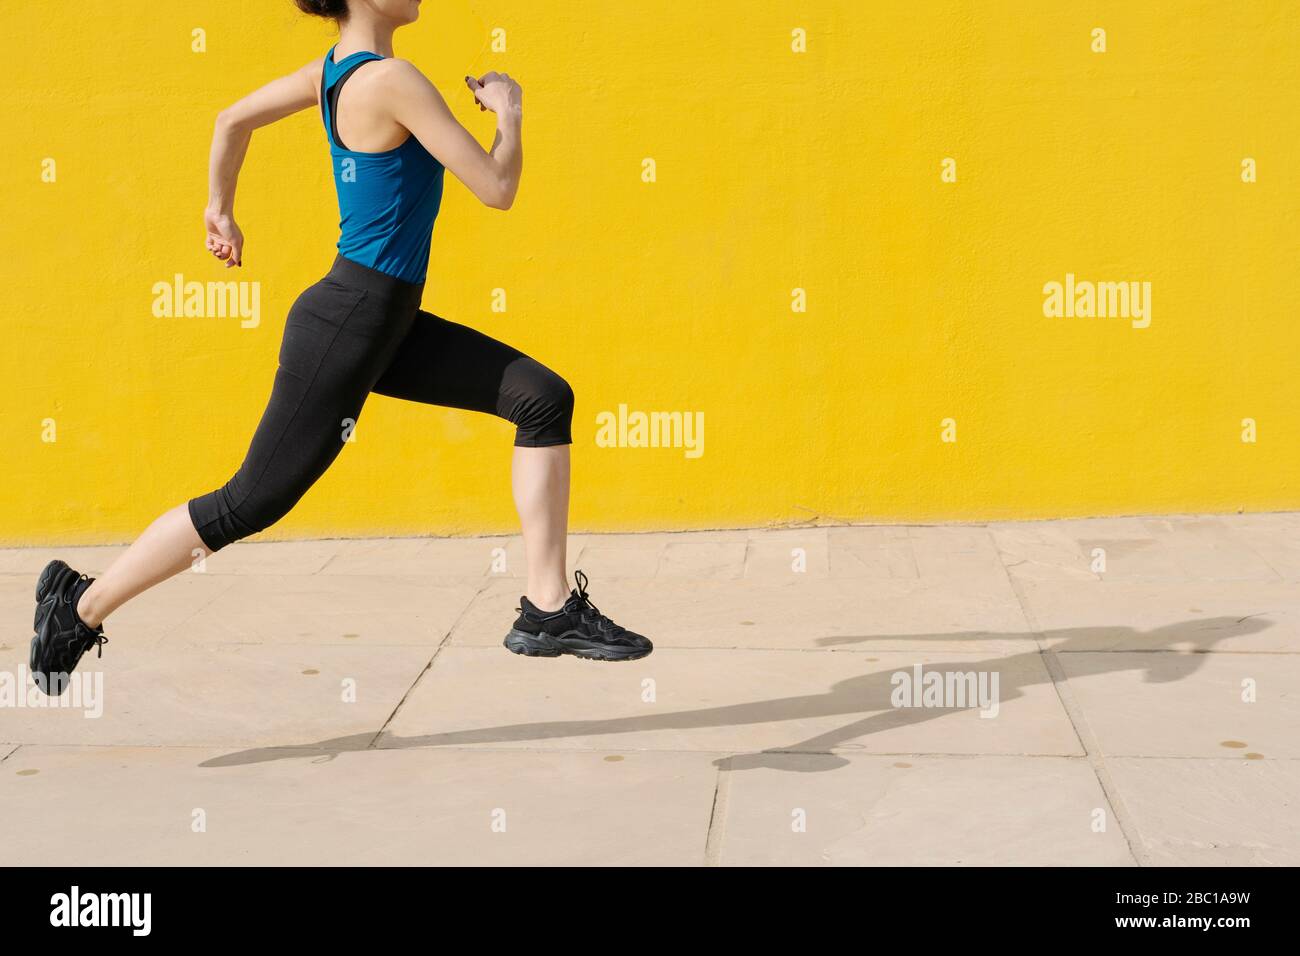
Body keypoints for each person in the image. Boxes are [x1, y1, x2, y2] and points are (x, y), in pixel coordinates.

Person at [29, 0, 652, 696]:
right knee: (247, 504)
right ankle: (78, 608)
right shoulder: (392, 79)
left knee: (541, 397)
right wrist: (509, 111)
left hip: (383, 320)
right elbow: (497, 186)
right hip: (350, 323)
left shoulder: (330, 73)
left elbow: (230, 120)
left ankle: (547, 609)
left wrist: (220, 207)